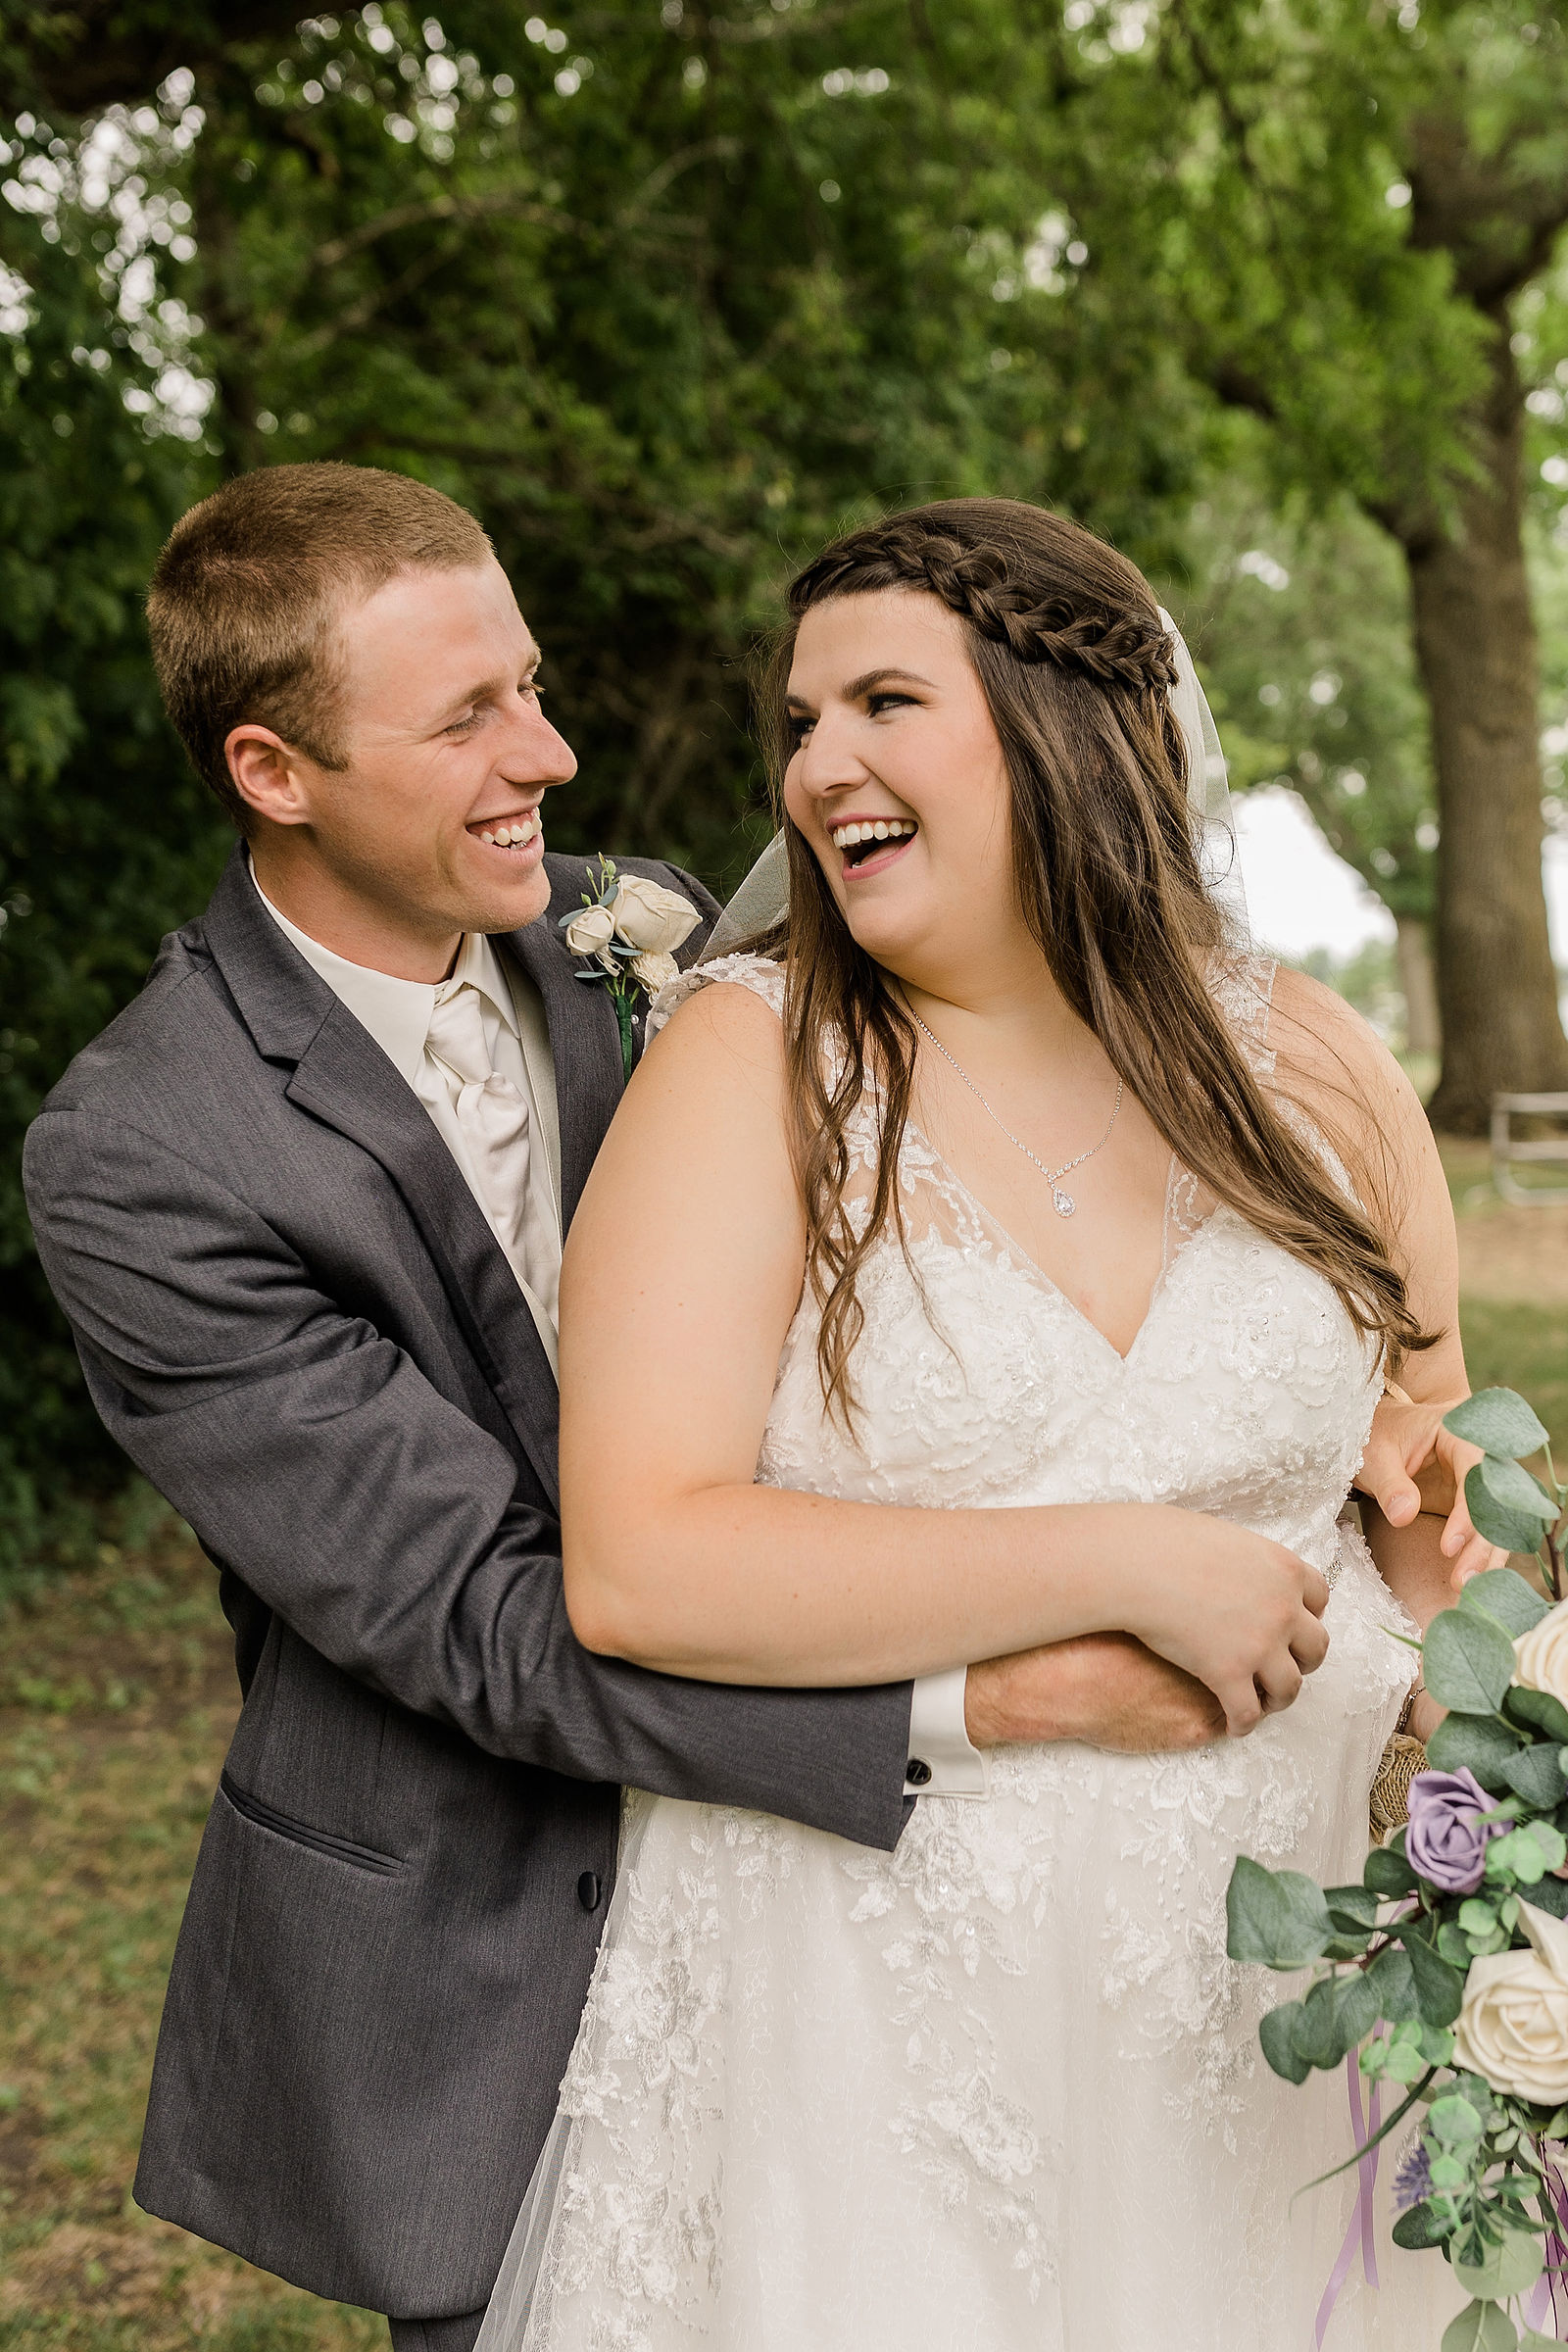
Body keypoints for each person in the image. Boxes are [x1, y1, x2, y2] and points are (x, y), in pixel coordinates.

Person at [22, 466, 1477, 2351]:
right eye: (467, 717)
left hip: (1238, 1934)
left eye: (530, 683)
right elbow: (491, 1615)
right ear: (272, 772)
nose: (546, 752)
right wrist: (992, 1696)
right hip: (540, 1914)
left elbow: (1413, 1416)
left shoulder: (650, 945)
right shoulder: (152, 1151)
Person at [473, 499, 1488, 2351]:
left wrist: (1445, 1541)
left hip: (1289, 1975)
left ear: (1063, 728)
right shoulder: (755, 1065)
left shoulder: (1320, 1066)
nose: (817, 768)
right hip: (881, 1996)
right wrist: (1120, 1562)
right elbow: (638, 1558)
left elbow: (1433, 1438)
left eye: (881, 702)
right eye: (800, 723)